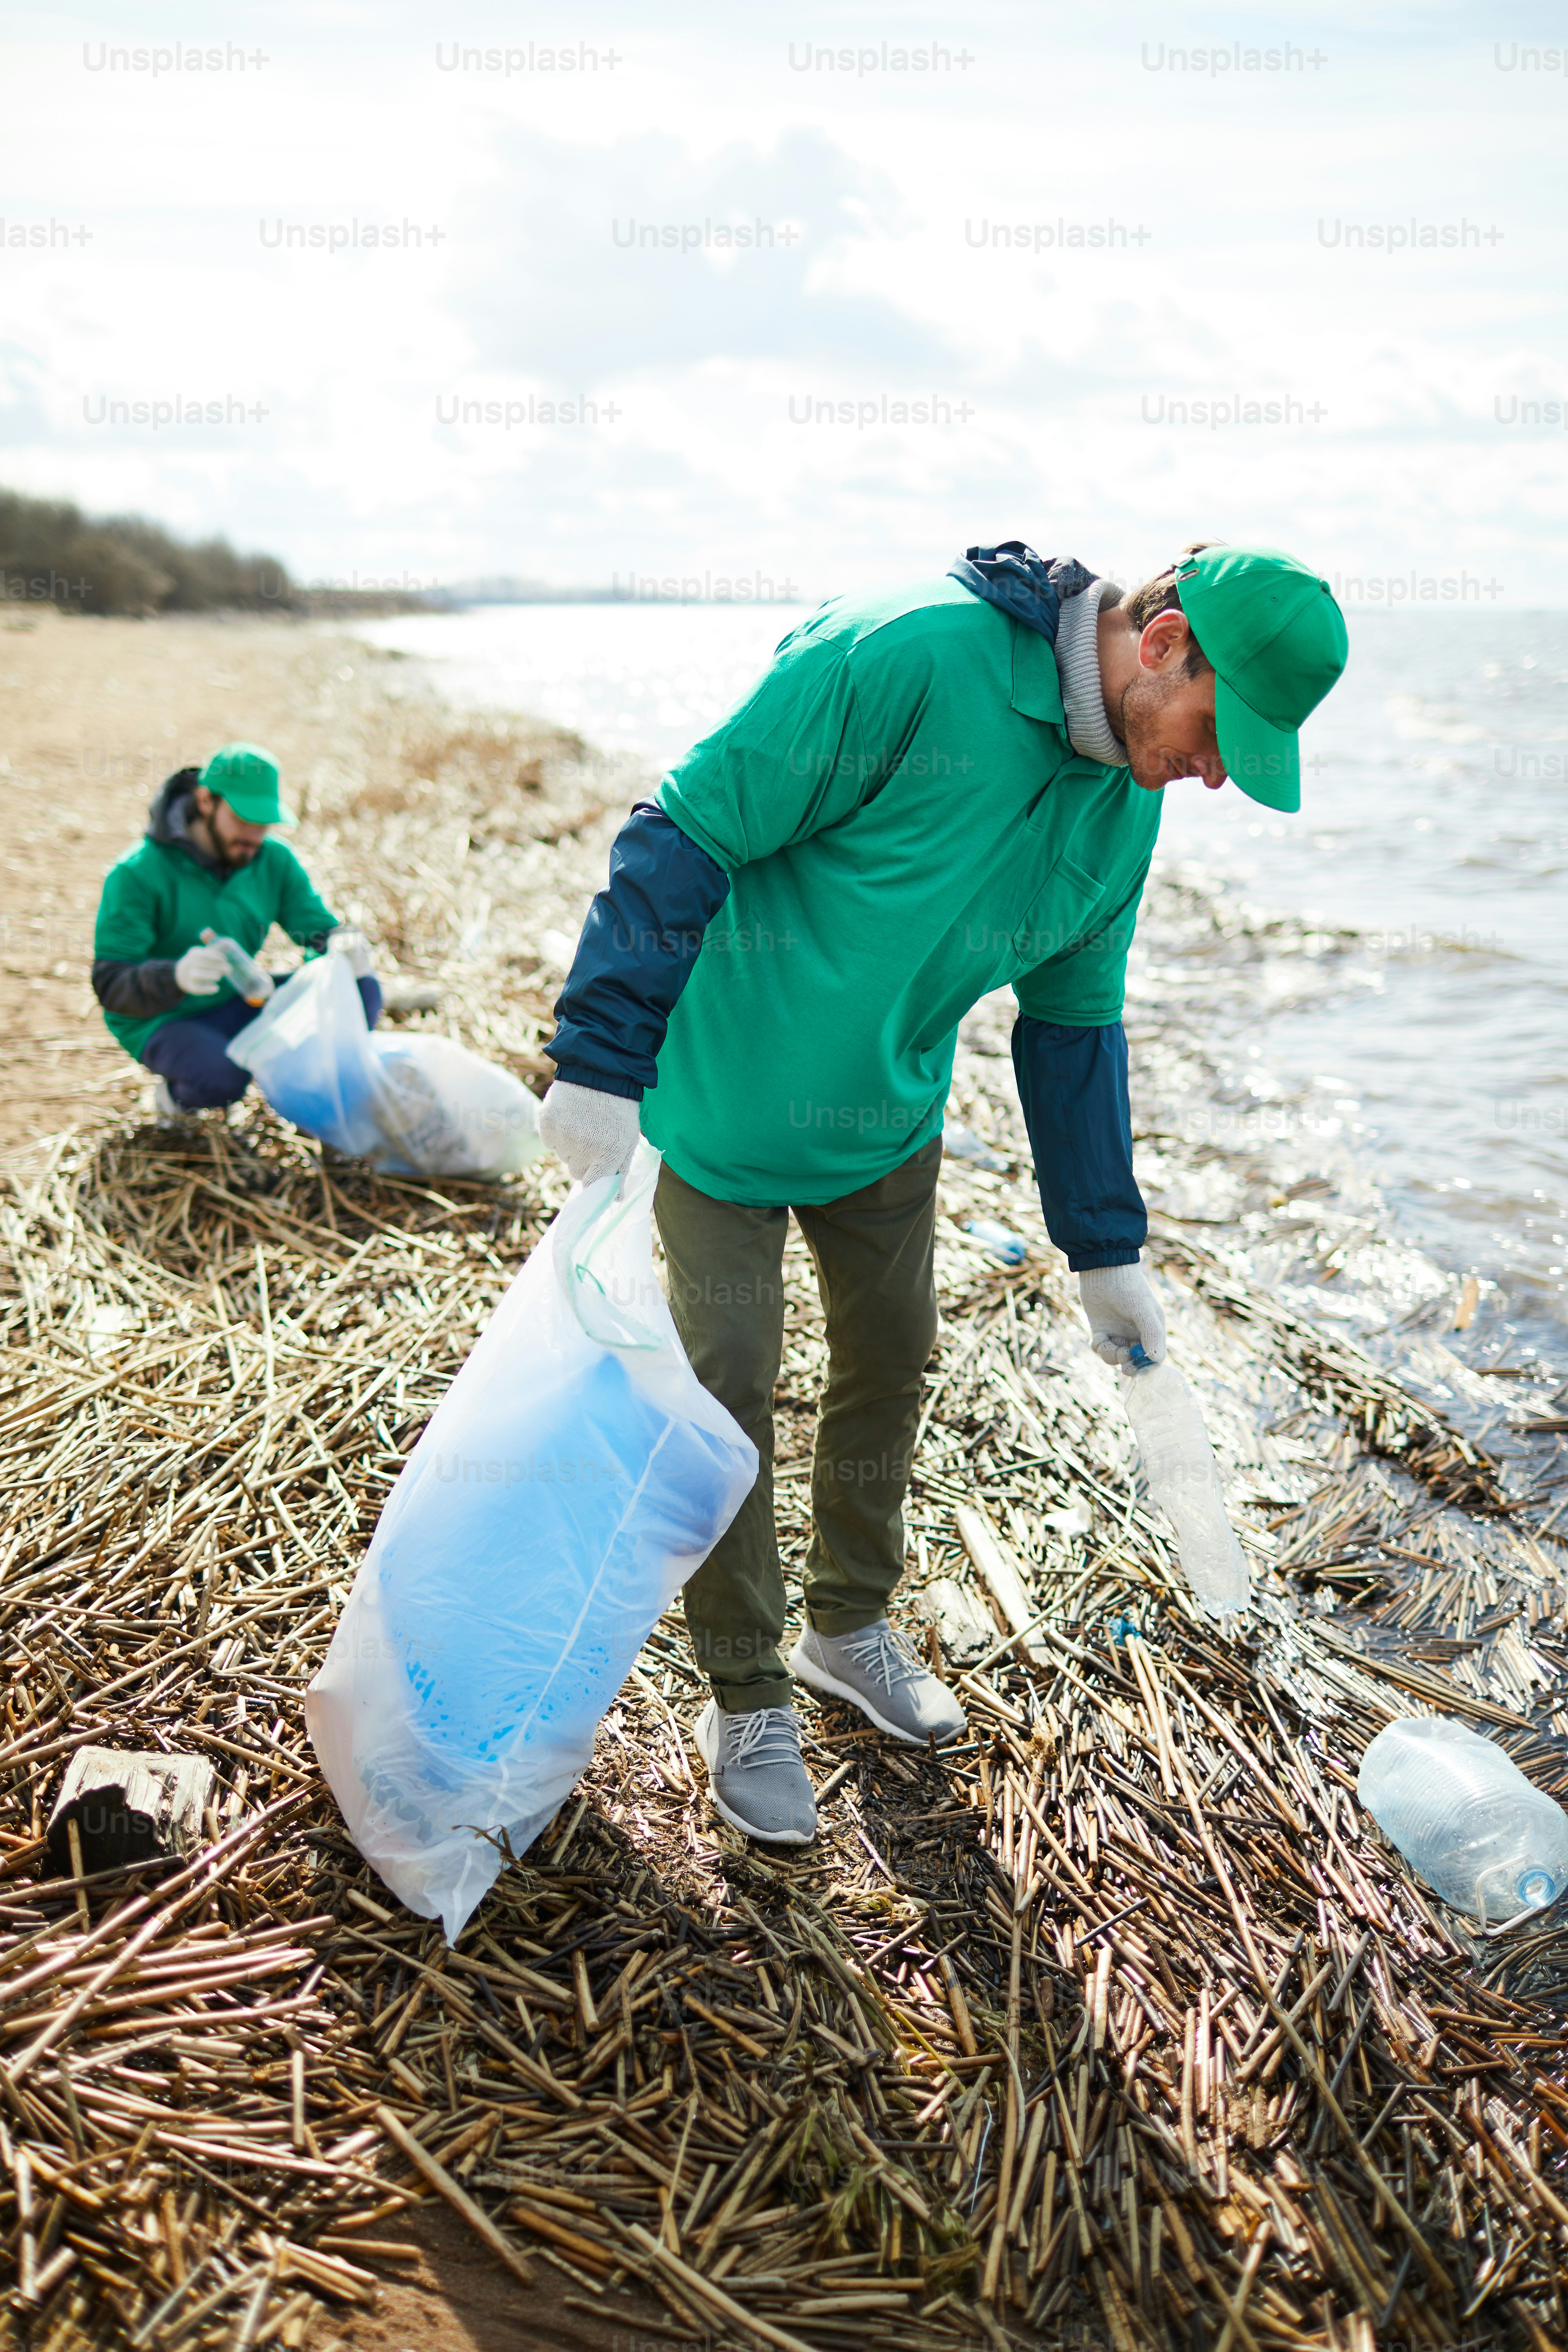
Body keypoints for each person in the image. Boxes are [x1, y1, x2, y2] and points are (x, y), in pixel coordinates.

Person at [538, 540, 1349, 1844]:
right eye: (1216, 732)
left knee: (893, 1352)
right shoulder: (904, 655)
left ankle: (845, 1625)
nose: (1214, 772)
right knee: (725, 1386)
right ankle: (745, 1692)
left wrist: (1102, 1245)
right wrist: (597, 1055)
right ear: (1161, 643)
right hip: (721, 1107)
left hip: (883, 1123)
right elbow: (685, 828)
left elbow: (1071, 1028)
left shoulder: (1121, 806)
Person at [92, 742, 379, 1121]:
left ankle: (335, 1096)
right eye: (244, 820)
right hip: (164, 1017)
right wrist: (174, 976)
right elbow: (111, 983)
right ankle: (171, 1103)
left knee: (362, 986)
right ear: (206, 801)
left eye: (264, 823)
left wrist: (341, 942)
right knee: (222, 1079)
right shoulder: (136, 873)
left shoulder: (273, 860)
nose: (254, 836)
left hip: (241, 996)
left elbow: (316, 931)